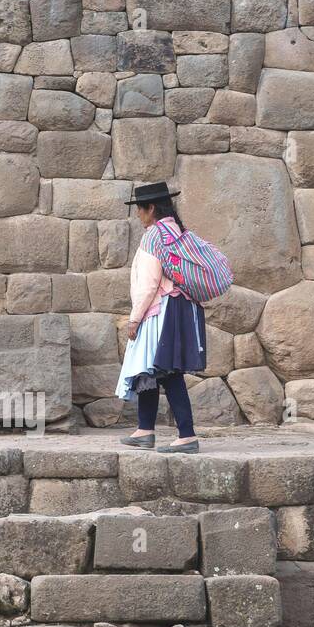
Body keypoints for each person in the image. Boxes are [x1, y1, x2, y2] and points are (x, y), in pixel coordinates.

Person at [115, 182, 207, 454]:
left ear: (151, 208)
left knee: (167, 372)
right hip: (178, 308)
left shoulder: (154, 235)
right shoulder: (176, 232)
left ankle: (187, 435)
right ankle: (145, 429)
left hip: (161, 311)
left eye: (139, 210)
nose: (138, 215)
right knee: (149, 369)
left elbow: (149, 282)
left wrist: (134, 319)